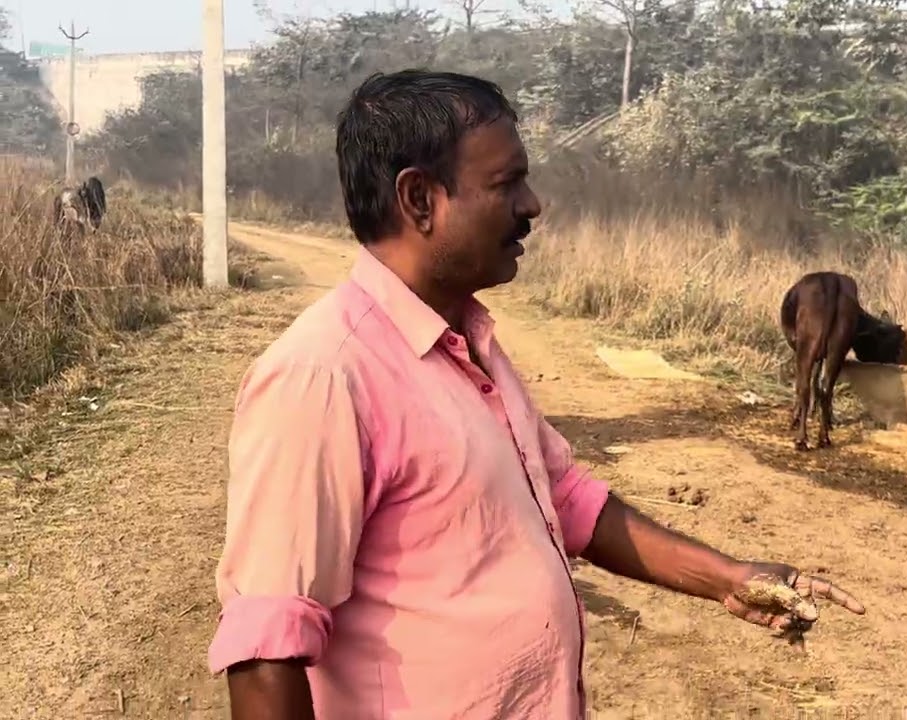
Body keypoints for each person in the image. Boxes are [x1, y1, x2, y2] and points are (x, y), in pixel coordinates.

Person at [206, 68, 864, 720]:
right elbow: (268, 650)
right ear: (418, 200)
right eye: (505, 183)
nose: (532, 204)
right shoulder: (322, 375)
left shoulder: (469, 340)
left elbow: (566, 497)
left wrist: (727, 577)